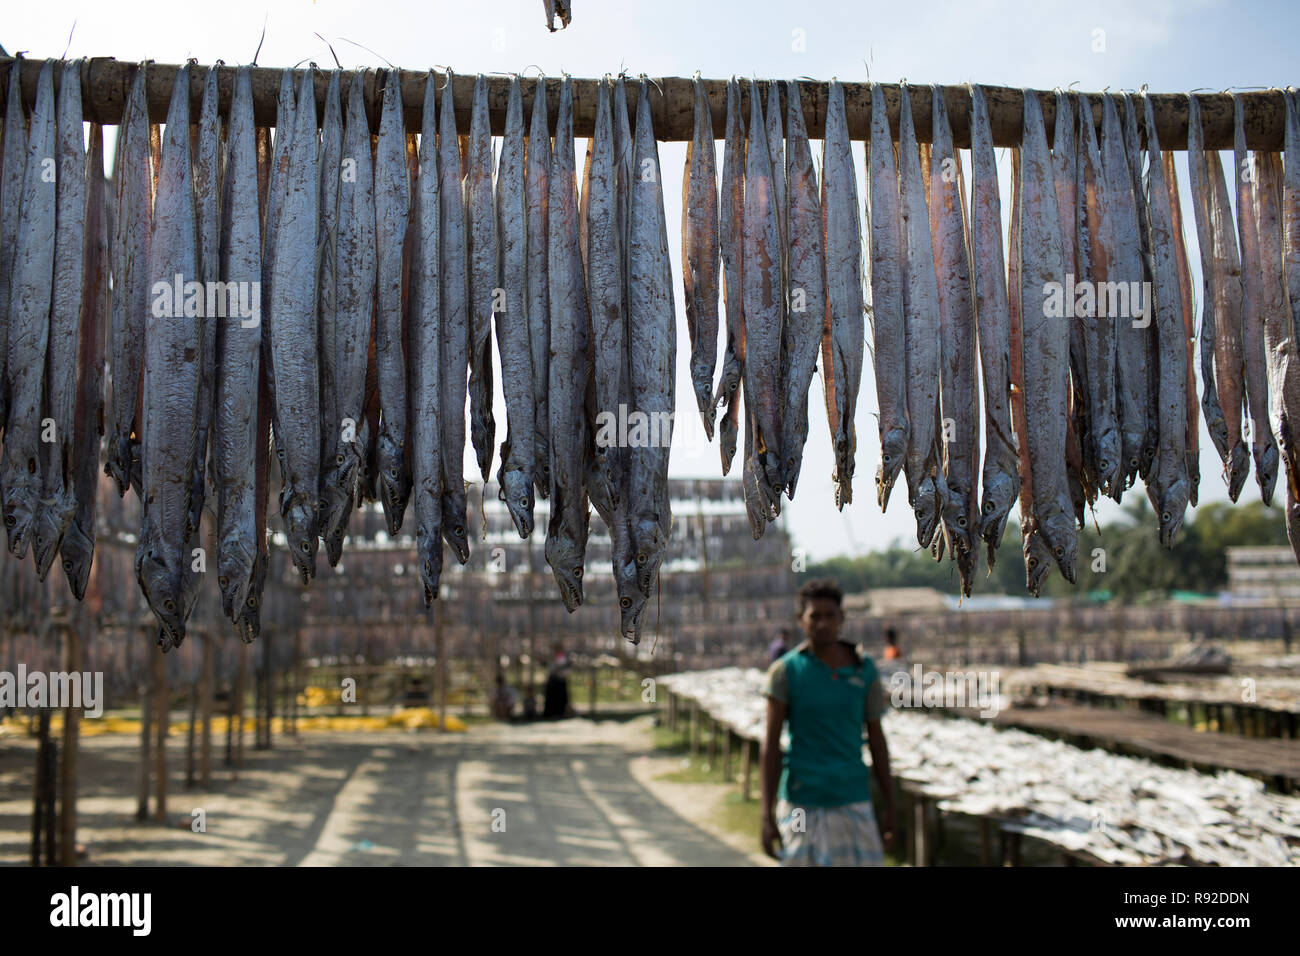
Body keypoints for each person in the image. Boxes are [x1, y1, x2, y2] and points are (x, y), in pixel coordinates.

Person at [760, 578, 897, 866]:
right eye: (814, 616)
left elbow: (877, 740)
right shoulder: (785, 672)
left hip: (852, 797)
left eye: (829, 615)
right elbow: (771, 747)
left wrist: (890, 805)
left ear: (841, 618)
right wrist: (766, 814)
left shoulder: (864, 670)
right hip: (801, 801)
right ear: (801, 620)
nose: (822, 623)